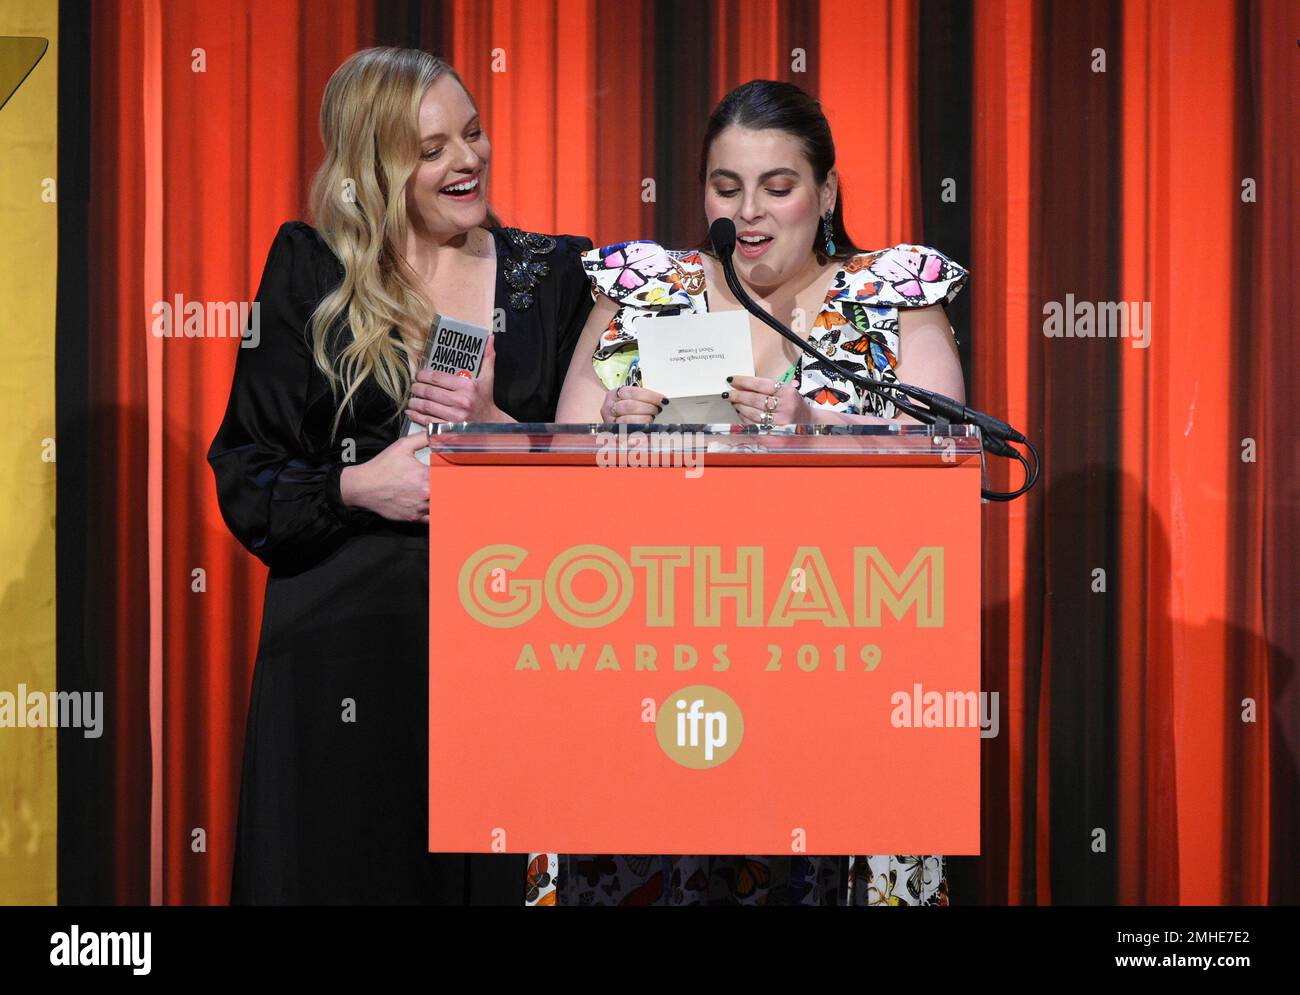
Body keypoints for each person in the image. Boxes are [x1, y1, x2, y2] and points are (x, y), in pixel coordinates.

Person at [552, 79, 967, 906]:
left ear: (827, 192)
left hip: (839, 668)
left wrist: (821, 430)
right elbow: (557, 474)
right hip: (656, 671)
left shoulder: (892, 293)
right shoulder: (641, 290)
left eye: (779, 187)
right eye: (726, 187)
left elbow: (948, 464)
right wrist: (611, 426)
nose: (751, 213)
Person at [208, 47, 594, 904]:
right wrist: (358, 485)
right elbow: (245, 472)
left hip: (512, 645)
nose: (467, 160)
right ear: (372, 166)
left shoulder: (558, 275)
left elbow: (596, 479)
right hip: (344, 649)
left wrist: (498, 432)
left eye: (474, 133)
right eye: (431, 149)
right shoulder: (310, 267)